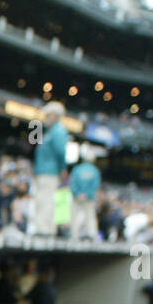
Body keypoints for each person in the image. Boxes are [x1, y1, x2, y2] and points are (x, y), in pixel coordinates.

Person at [32, 101, 68, 235]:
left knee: (47, 199)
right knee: (42, 199)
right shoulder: (49, 131)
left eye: (49, 114)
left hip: (51, 171)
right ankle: (41, 227)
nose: (46, 117)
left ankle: (46, 229)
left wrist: (62, 168)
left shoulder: (59, 131)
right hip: (43, 171)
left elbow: (61, 152)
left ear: (55, 115)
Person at [69, 145, 100, 239]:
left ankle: (74, 234)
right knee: (90, 215)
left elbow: (72, 182)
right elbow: (95, 185)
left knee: (74, 215)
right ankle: (92, 234)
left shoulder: (77, 169)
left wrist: (77, 193)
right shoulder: (95, 171)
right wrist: (88, 194)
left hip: (77, 196)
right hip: (88, 197)